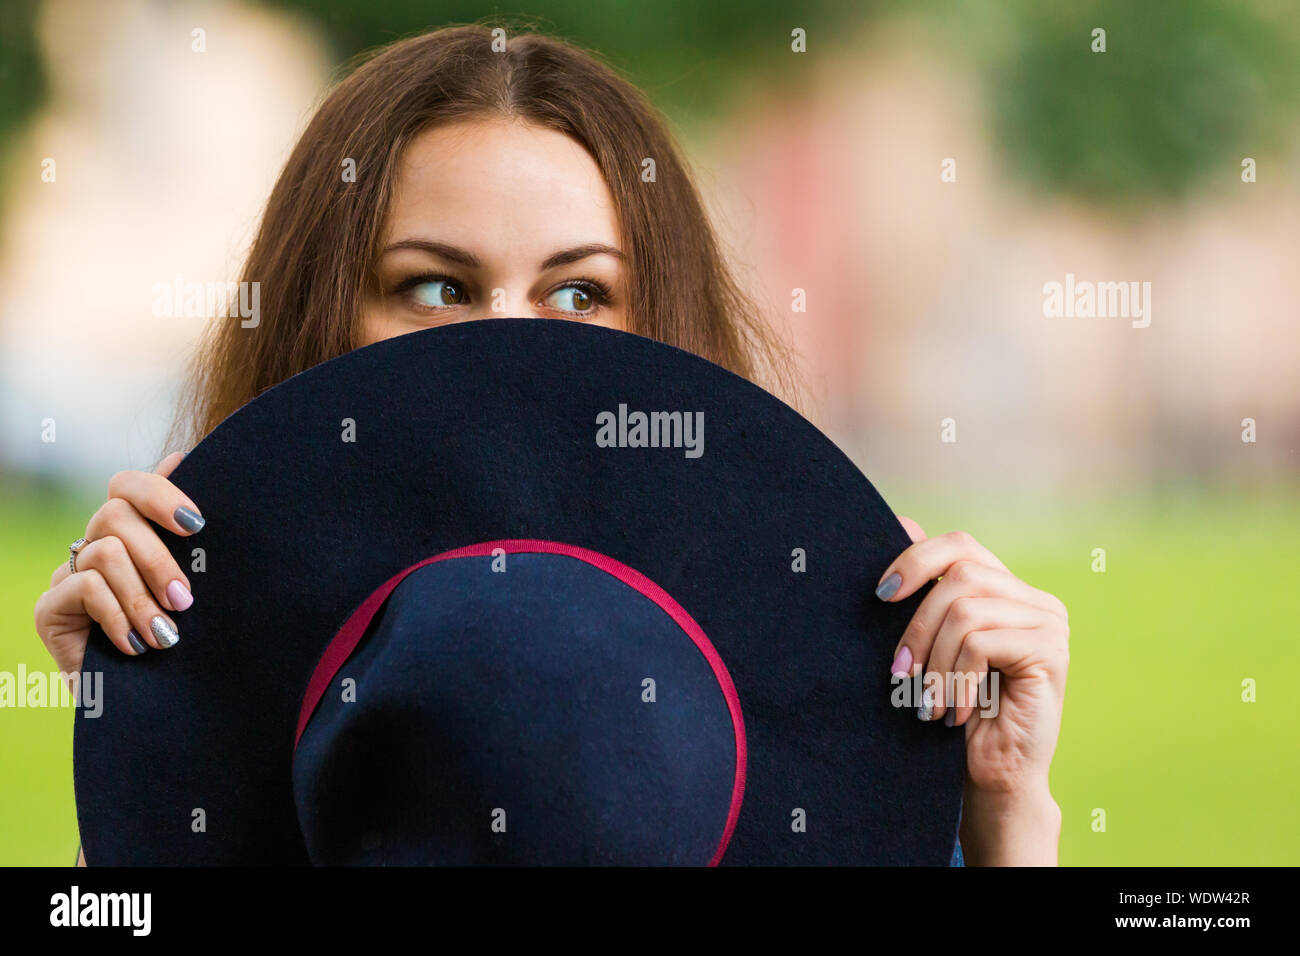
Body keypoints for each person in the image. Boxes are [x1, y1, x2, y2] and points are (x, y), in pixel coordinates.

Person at [32, 25, 1068, 866]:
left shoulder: (831, 687)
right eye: (435, 287)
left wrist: (1005, 820)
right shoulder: (185, 607)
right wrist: (153, 744)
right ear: (318, 316)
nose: (510, 340)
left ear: (663, 326)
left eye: (578, 292)